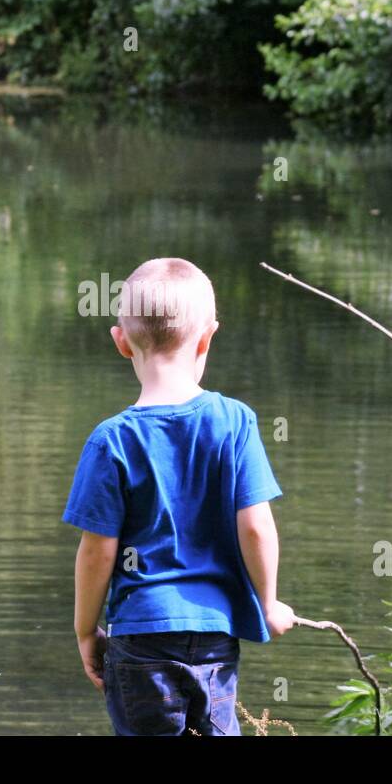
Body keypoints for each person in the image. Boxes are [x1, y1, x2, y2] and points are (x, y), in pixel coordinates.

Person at [63, 257, 295, 736]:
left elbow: (97, 552)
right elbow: (255, 524)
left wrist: (86, 629)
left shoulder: (111, 440)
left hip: (140, 635)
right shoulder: (236, 422)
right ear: (208, 337)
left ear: (121, 342)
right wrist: (269, 602)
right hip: (216, 631)